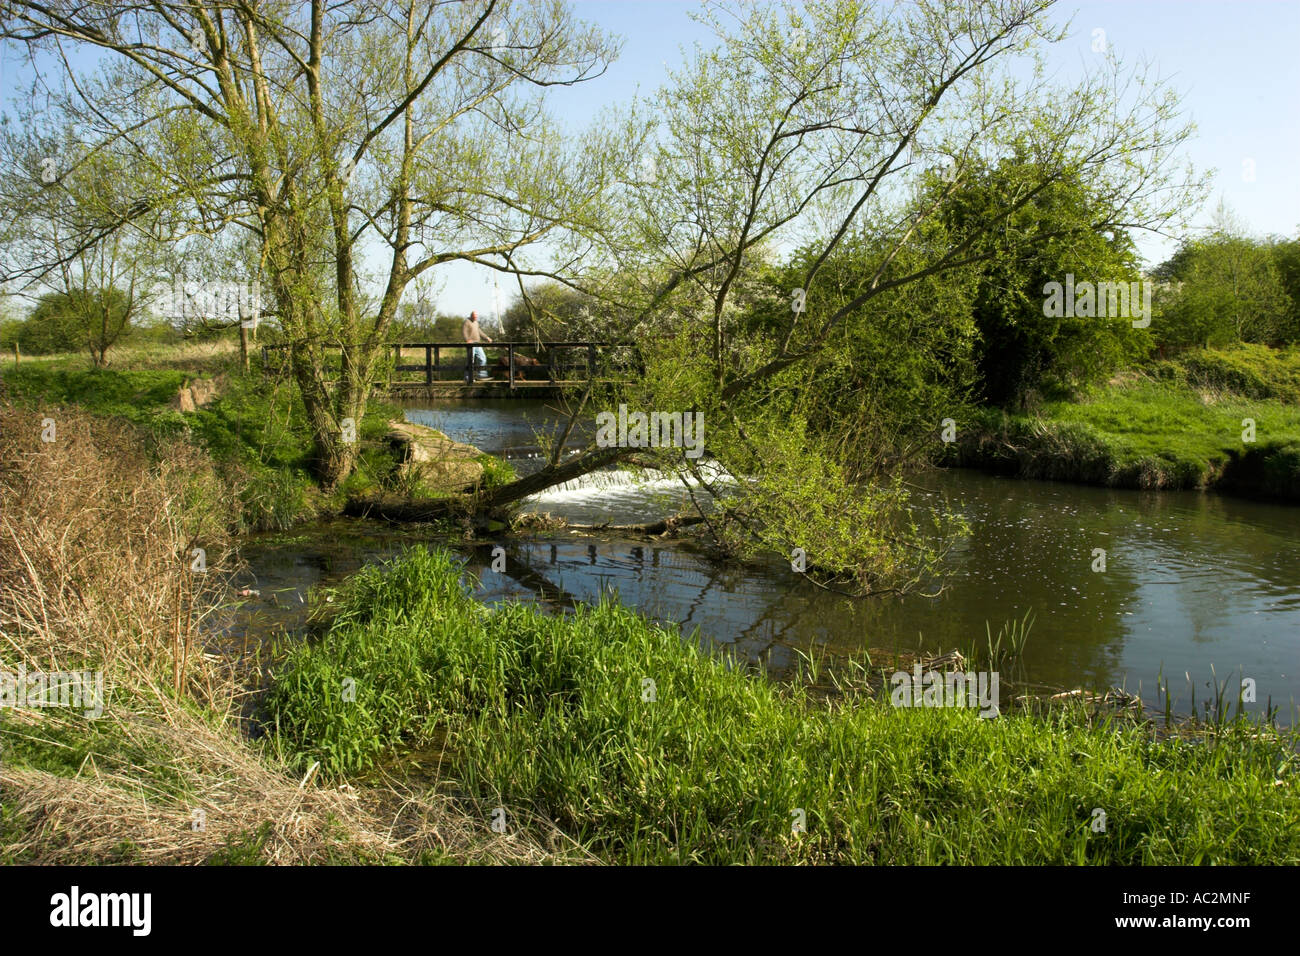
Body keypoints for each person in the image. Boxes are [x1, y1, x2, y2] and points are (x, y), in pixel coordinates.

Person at [462, 310, 492, 382]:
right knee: (470, 360)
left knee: (483, 358)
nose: (476, 318)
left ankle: (482, 375)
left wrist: (486, 338)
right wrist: (467, 340)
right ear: (471, 316)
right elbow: (464, 331)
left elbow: (479, 332)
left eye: (476, 317)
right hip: (471, 344)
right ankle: (467, 377)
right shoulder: (467, 322)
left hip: (478, 343)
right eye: (475, 317)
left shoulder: (476, 323)